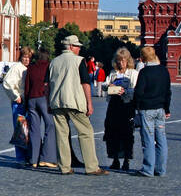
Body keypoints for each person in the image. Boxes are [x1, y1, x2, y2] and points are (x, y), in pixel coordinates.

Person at [47, 34, 107, 175]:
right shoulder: (79, 61)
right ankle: (91, 167)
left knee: (61, 135)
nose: (80, 49)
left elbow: (47, 85)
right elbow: (85, 83)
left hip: (57, 102)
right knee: (85, 132)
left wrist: (48, 102)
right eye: (78, 46)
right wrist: (89, 103)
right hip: (74, 101)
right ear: (71, 47)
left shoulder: (54, 62)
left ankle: (65, 167)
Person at [133, 45, 172, 177]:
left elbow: (138, 92)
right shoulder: (164, 70)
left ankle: (148, 169)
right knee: (161, 139)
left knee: (148, 139)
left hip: (147, 110)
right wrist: (167, 108)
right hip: (160, 110)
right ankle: (161, 170)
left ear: (143, 58)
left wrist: (136, 106)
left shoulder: (144, 72)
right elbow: (168, 92)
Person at [103, 47, 138, 171]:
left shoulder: (133, 73)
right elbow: (104, 85)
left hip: (127, 105)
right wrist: (109, 86)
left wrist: (125, 91)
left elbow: (136, 89)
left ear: (128, 60)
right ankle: (115, 159)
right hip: (113, 105)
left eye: (123, 60)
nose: (120, 63)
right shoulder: (113, 73)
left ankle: (127, 160)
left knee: (127, 133)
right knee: (112, 132)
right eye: (118, 60)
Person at [24, 48, 57, 168]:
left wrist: (26, 103)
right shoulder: (49, 66)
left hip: (32, 99)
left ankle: (33, 159)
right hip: (44, 98)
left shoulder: (31, 68)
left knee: (34, 129)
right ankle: (46, 158)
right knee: (50, 125)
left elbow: (27, 87)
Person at [2, 48, 31, 163]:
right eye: (25, 57)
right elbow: (7, 83)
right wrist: (15, 96)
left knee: (26, 129)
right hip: (19, 103)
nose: (27, 59)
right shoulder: (16, 68)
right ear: (21, 57)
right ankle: (20, 157)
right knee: (20, 130)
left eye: (29, 57)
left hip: (26, 102)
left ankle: (27, 155)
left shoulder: (26, 68)